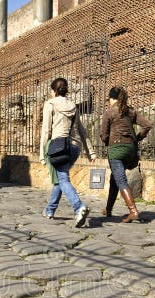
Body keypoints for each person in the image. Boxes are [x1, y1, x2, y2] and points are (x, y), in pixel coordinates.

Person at [39, 77, 97, 228]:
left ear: (53, 91)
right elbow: (82, 130)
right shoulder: (73, 106)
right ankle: (50, 210)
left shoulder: (49, 104)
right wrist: (90, 151)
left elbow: (46, 130)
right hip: (75, 147)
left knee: (63, 179)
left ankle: (79, 207)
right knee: (61, 178)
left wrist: (41, 154)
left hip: (59, 147)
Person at [100, 86, 153, 223]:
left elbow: (103, 135)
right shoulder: (131, 111)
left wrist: (107, 141)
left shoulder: (109, 112)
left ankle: (133, 211)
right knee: (115, 178)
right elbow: (147, 125)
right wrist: (137, 137)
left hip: (117, 150)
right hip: (130, 150)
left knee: (121, 180)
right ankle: (108, 209)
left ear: (112, 98)